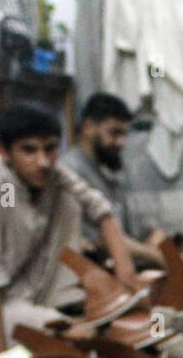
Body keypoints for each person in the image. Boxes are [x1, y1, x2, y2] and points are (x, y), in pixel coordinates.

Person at [0, 102, 141, 357]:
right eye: (28, 150)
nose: (42, 161)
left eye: (51, 149)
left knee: (69, 199)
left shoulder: (51, 173)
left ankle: (64, 305)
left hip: (22, 291)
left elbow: (100, 211)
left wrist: (127, 278)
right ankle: (56, 325)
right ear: (4, 151)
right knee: (83, 337)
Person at [60, 92, 165, 268]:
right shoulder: (70, 172)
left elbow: (147, 228)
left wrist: (153, 245)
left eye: (124, 134)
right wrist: (157, 257)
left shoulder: (112, 170)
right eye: (114, 133)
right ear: (88, 127)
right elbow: (102, 242)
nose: (121, 142)